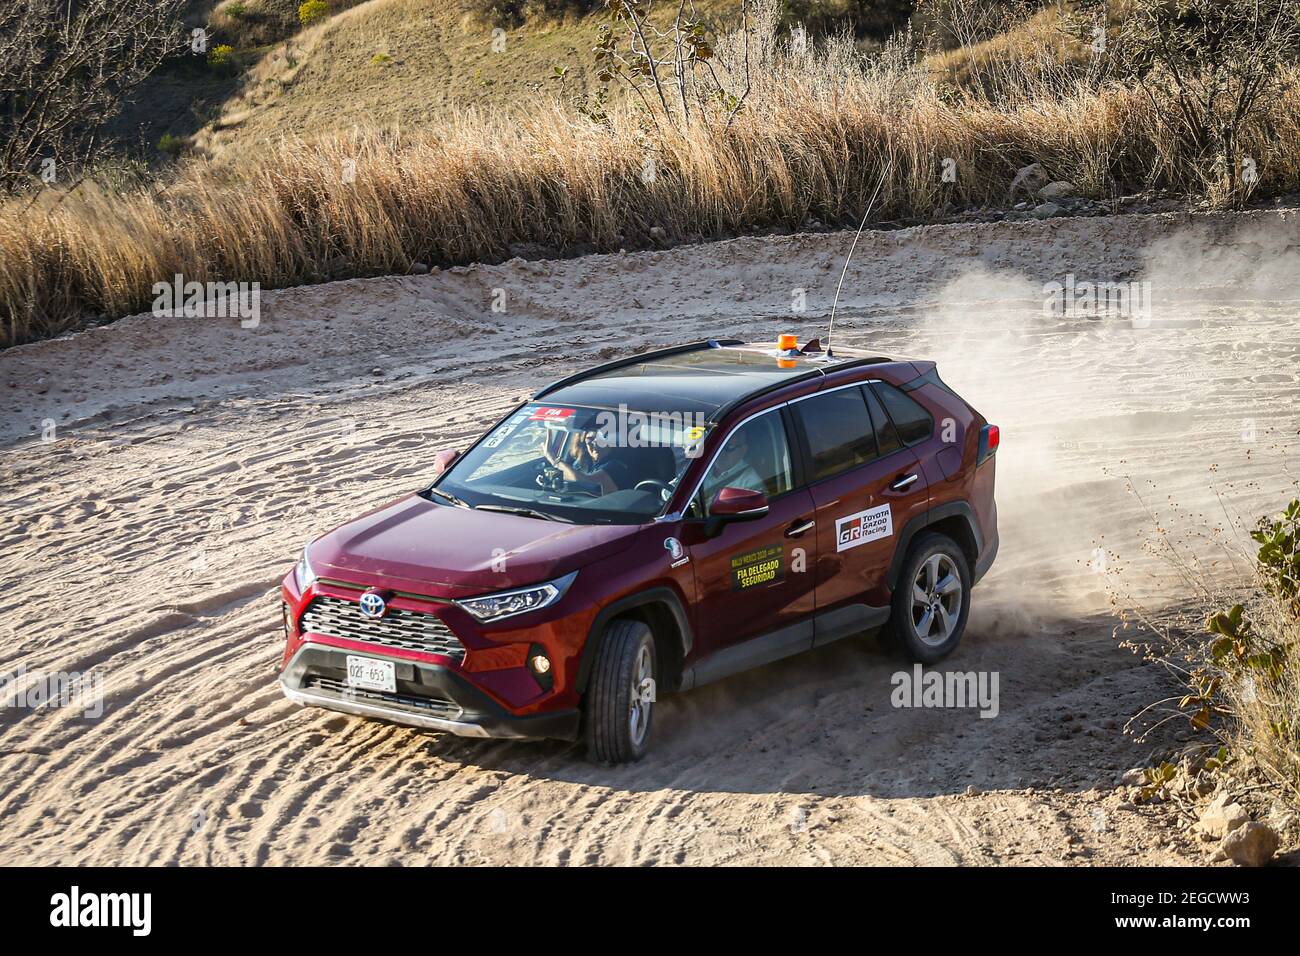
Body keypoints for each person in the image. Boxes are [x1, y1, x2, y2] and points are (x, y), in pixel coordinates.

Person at [541, 428, 632, 495]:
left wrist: (554, 460)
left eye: (602, 439)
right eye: (590, 439)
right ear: (583, 441)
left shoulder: (617, 466)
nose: (595, 443)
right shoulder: (582, 462)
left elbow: (585, 482)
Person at [702, 426, 766, 506]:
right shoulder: (702, 466)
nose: (721, 452)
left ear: (743, 450)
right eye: (719, 447)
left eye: (729, 447)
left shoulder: (750, 482)